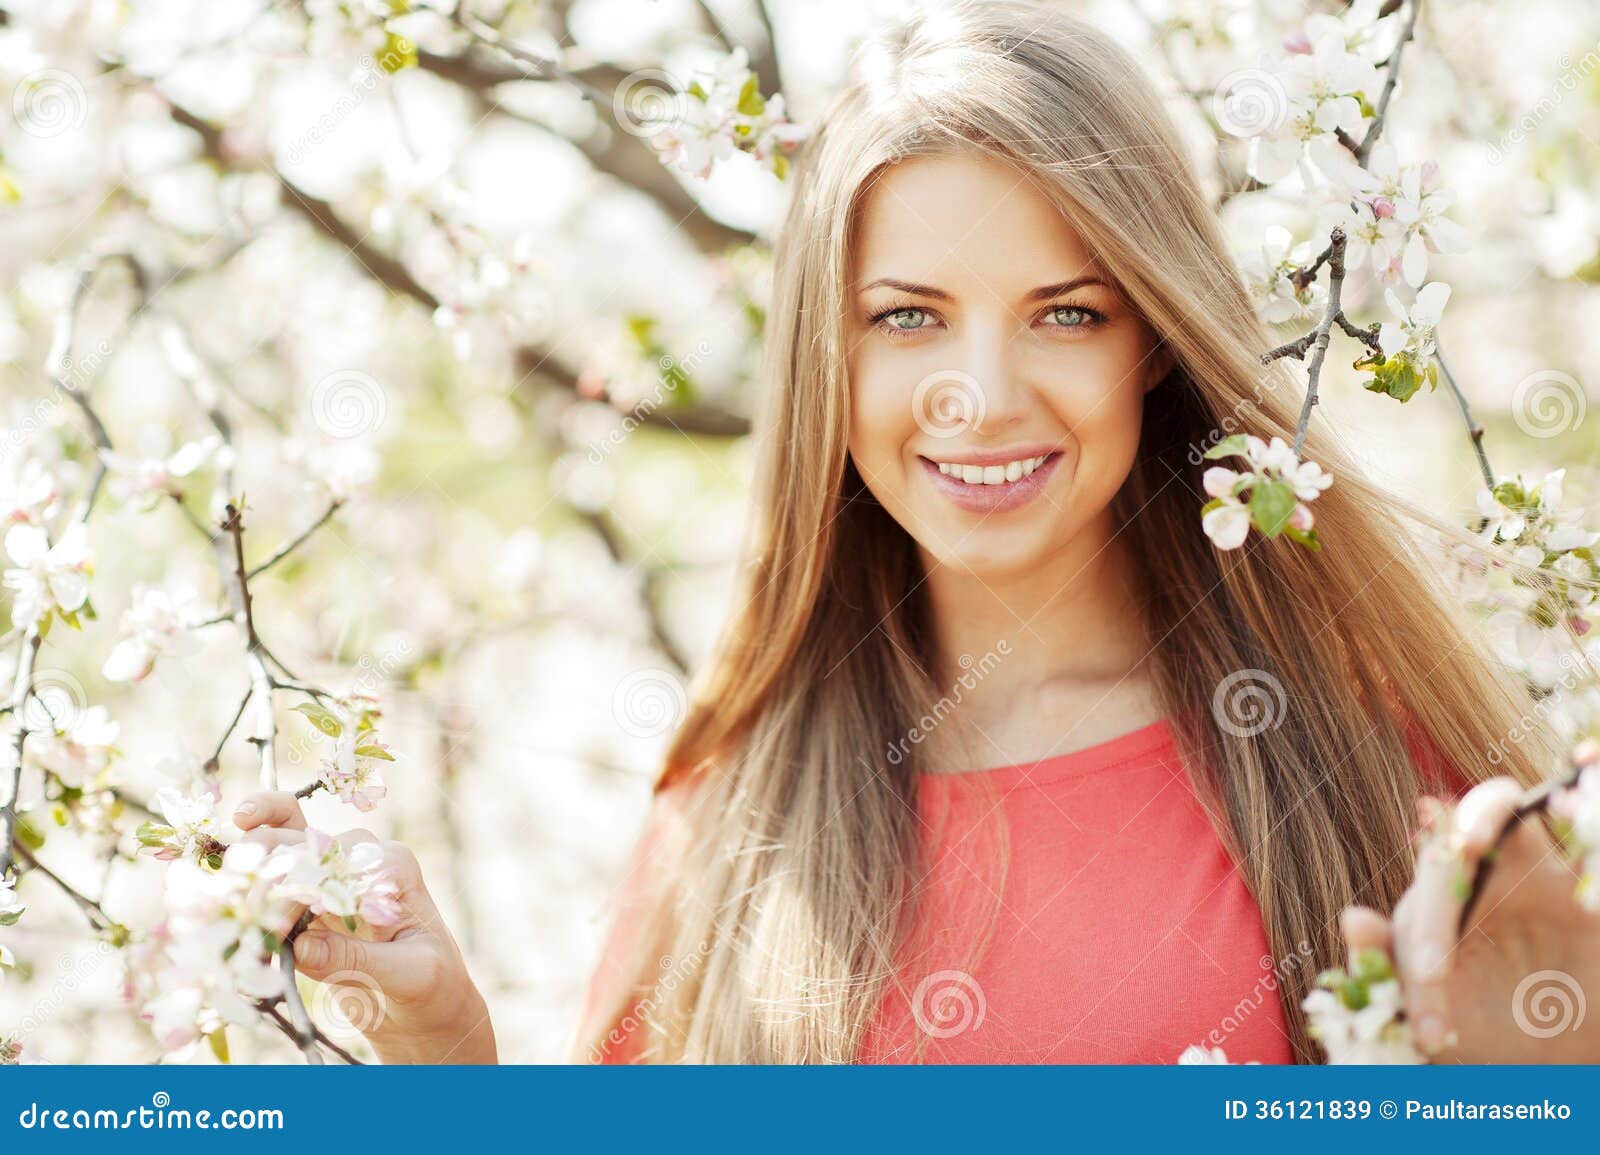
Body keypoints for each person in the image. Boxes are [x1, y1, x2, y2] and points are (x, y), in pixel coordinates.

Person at [234, 1, 1599, 1065]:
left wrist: (1544, 1076)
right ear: (827, 357)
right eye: (908, 317)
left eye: (1068, 312)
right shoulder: (732, 805)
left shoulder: (1374, 766)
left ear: (1155, 343)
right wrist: (443, 1054)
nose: (980, 397)